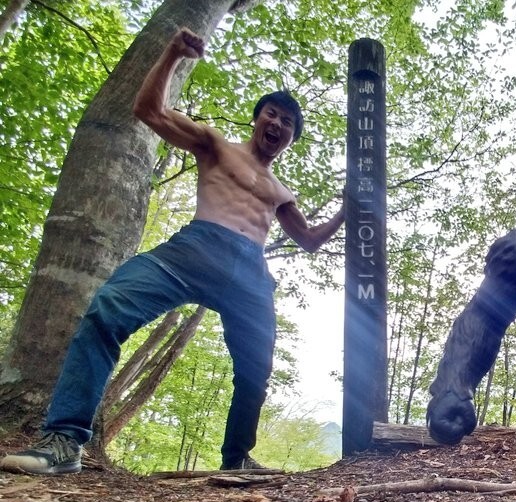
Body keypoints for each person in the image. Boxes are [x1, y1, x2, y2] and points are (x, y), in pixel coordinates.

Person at [1, 27, 343, 475]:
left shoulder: (281, 191)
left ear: (292, 139)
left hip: (250, 274)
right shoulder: (217, 144)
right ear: (257, 119)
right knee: (107, 309)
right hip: (197, 248)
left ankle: (237, 460)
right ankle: (64, 440)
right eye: (272, 115)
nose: (277, 125)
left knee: (256, 370)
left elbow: (311, 241)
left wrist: (346, 211)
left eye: (287, 124)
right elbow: (149, 110)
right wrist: (172, 55)